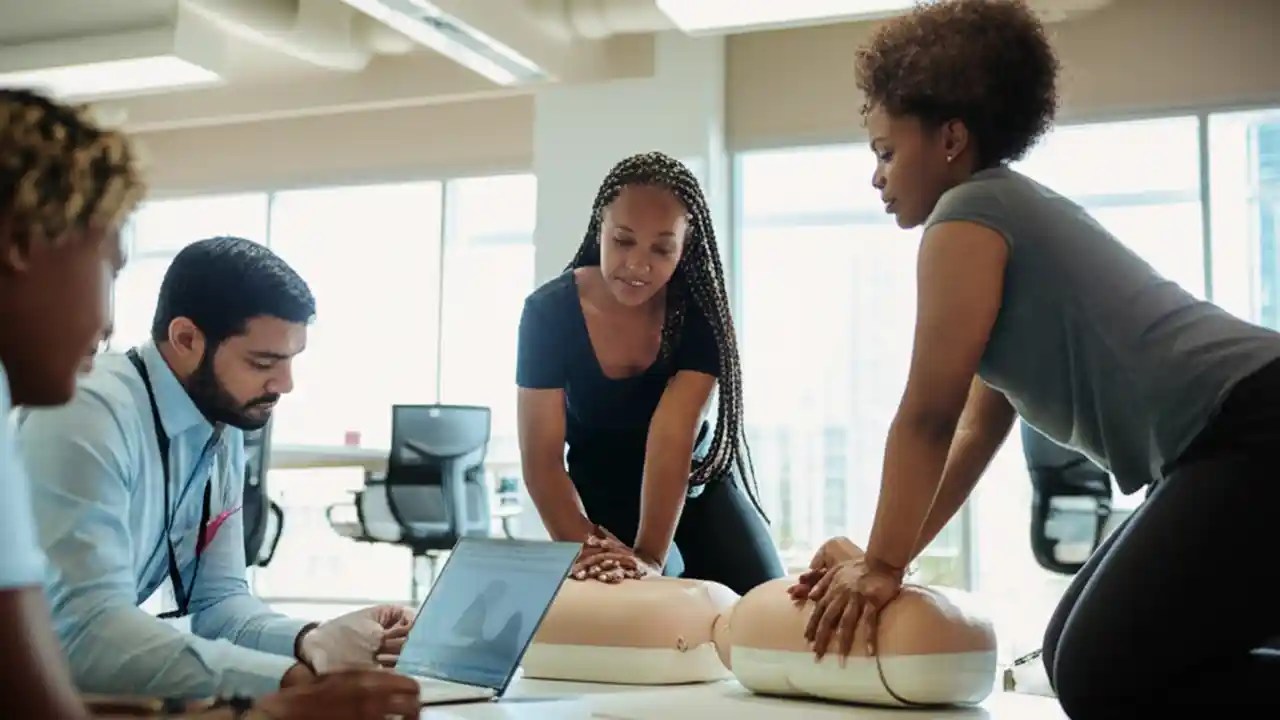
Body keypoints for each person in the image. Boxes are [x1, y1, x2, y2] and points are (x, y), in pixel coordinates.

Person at [790, 1, 1280, 716]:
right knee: (1065, 654)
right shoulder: (1002, 213)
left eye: (886, 151)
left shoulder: (967, 216)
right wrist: (880, 559)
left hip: (1253, 427)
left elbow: (927, 414)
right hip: (1229, 435)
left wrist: (882, 565)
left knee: (1100, 672)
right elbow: (972, 432)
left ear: (951, 137)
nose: (876, 175)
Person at [0, 88, 419, 718]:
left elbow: (219, 604)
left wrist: (313, 646)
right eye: (107, 267)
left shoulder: (220, 431)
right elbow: (81, 638)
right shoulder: (87, 412)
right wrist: (290, 689)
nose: (108, 321)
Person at [515, 151, 783, 596]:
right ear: (600, 225)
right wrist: (589, 547)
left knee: (764, 606)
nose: (638, 265)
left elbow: (671, 439)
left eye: (661, 249)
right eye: (623, 240)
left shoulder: (700, 315)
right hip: (595, 491)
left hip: (692, 482)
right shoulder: (548, 313)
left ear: (685, 246)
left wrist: (650, 558)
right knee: (626, 610)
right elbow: (541, 460)